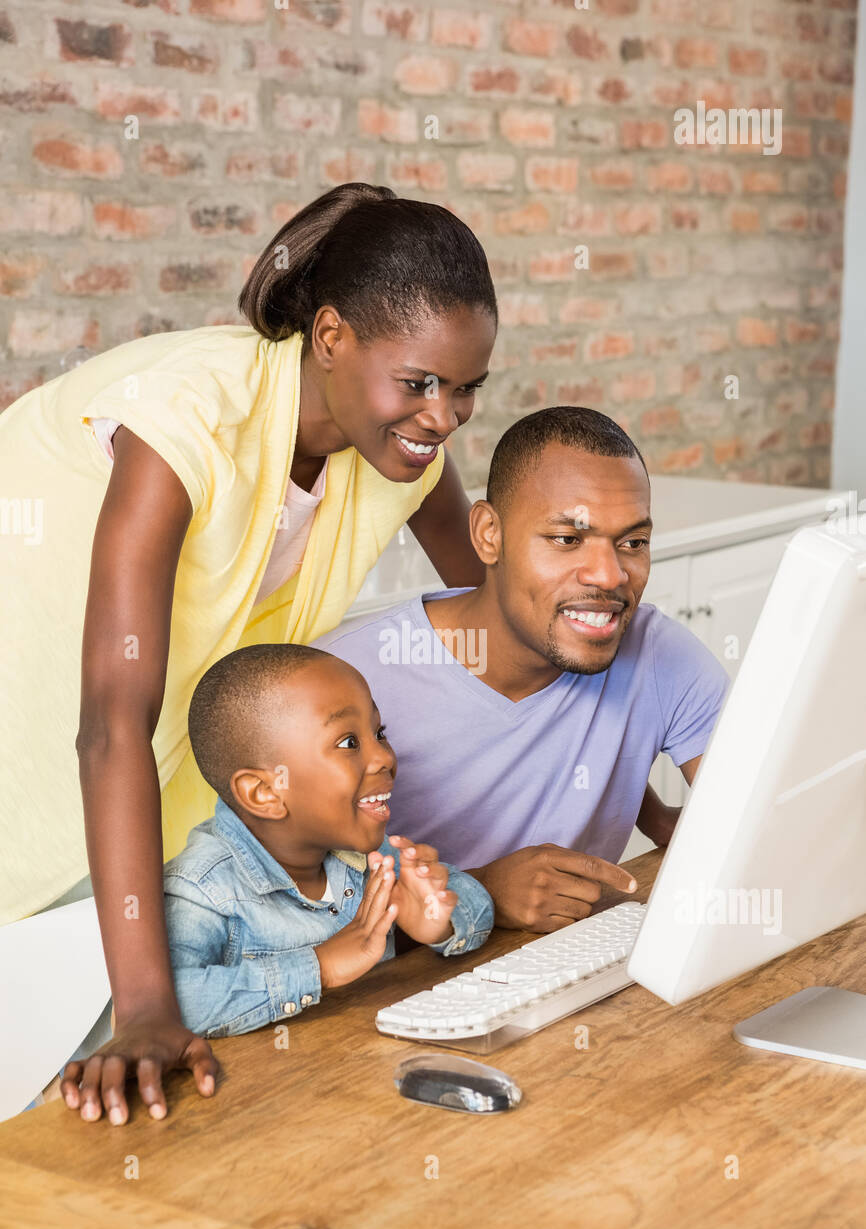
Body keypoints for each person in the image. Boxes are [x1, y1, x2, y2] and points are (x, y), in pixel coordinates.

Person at [2, 181, 497, 1124]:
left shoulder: (397, 451)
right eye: (421, 382)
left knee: (131, 1107)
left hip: (145, 794)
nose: (444, 417)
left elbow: (493, 616)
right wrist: (150, 1009)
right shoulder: (189, 418)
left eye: (468, 387)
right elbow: (112, 721)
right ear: (331, 336)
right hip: (35, 730)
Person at [315, 406, 730, 932]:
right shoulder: (346, 676)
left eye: (633, 543)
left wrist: (681, 820)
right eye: (567, 539)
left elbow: (766, 813)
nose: (609, 575)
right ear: (489, 534)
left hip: (569, 971)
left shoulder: (658, 653)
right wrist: (481, 891)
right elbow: (279, 911)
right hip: (385, 998)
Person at [157, 644, 492, 1043]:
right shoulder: (201, 888)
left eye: (379, 733)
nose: (384, 757)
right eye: (350, 742)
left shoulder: (368, 857)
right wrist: (321, 967)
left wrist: (437, 923)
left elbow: (475, 900)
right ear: (265, 791)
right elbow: (167, 1006)